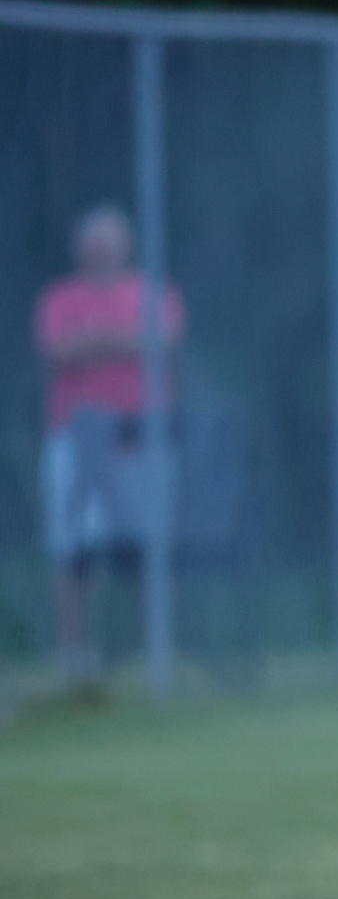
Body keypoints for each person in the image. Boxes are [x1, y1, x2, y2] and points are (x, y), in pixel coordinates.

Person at [33, 204, 184, 684]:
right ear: (79, 250)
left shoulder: (151, 292)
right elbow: (59, 349)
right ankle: (74, 655)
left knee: (147, 546)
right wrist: (124, 340)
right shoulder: (60, 298)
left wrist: (96, 339)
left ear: (126, 247)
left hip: (140, 436)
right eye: (93, 244)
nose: (101, 252)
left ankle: (157, 655)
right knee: (73, 548)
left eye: (110, 243)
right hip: (74, 437)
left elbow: (164, 340)